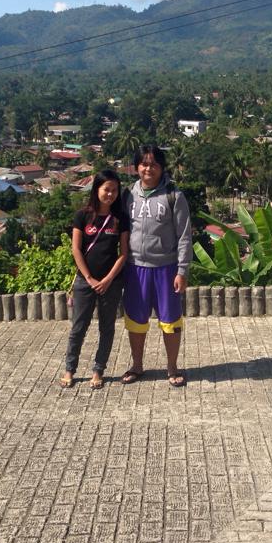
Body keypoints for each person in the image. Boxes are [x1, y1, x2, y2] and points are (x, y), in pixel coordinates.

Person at [121, 144, 192, 387]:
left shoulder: (174, 196)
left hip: (166, 268)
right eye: (143, 163)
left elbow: (184, 236)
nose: (148, 168)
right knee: (136, 320)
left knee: (171, 321)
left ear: (161, 168)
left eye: (153, 164)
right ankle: (137, 366)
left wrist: (182, 270)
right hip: (135, 267)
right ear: (136, 167)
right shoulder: (128, 195)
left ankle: (172, 368)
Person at [60, 169, 130, 389]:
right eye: (106, 189)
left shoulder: (120, 219)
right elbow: (76, 249)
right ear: (97, 189)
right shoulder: (82, 216)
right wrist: (89, 278)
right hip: (84, 281)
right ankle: (70, 369)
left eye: (114, 190)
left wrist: (108, 279)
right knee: (78, 327)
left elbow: (124, 253)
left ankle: (98, 370)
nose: (110, 194)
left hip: (111, 282)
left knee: (106, 328)